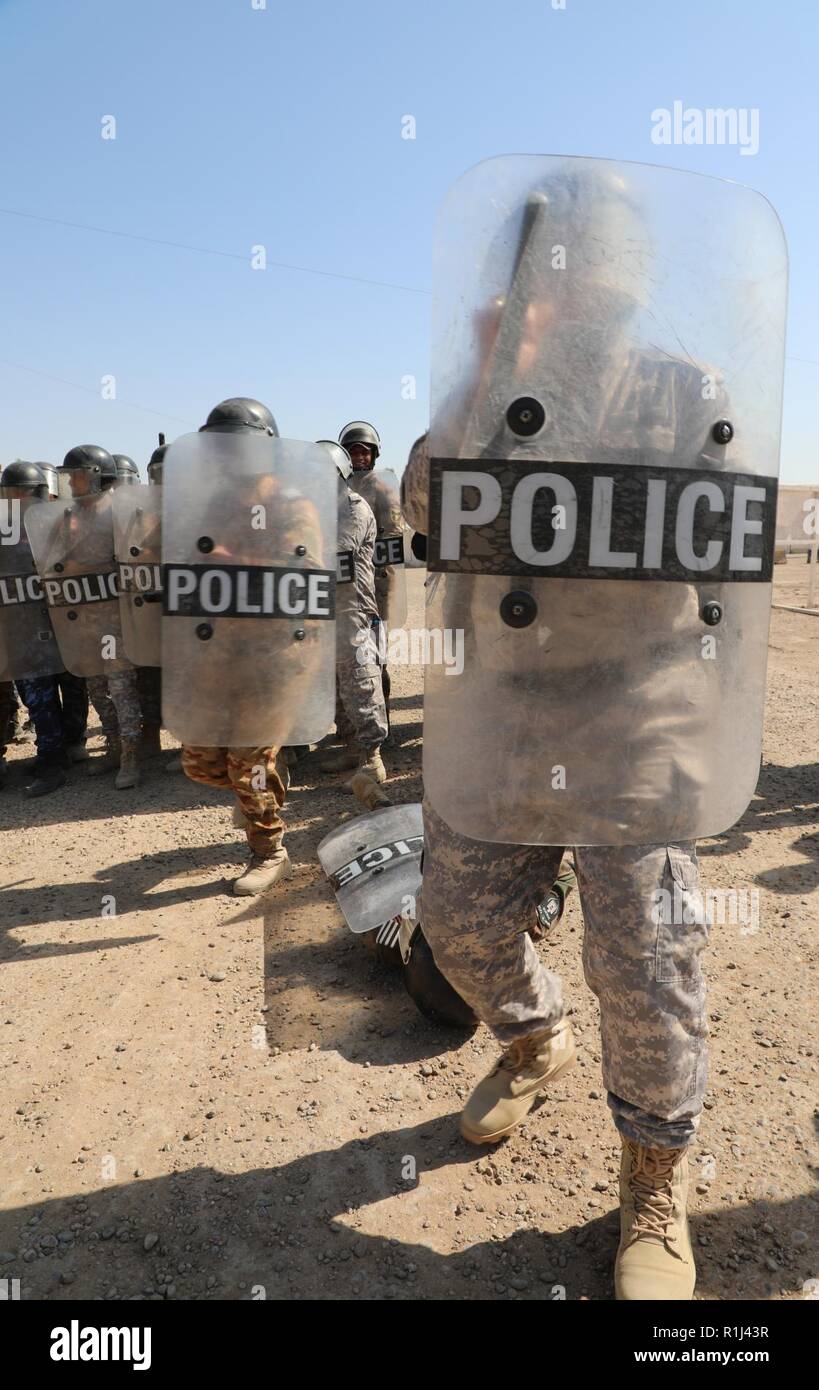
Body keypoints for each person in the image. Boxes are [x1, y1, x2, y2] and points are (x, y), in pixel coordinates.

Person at [397, 157, 779, 1302]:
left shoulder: (680, 384)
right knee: (456, 923)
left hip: (638, 706)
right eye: (559, 252)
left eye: (602, 253)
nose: (580, 273)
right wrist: (481, 382)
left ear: (632, 270)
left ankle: (654, 1177)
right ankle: (530, 1035)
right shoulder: (493, 385)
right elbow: (427, 516)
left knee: (649, 958)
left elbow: (726, 541)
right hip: (509, 705)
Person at [176, 398, 295, 895]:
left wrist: (240, 559)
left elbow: (305, 581)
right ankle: (264, 776)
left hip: (267, 657)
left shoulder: (290, 504)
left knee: (247, 768)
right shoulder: (216, 503)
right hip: (218, 652)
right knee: (201, 762)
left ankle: (269, 850)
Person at [1, 460, 89, 797]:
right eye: (12, 494)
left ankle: (63, 751)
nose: (18, 499)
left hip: (63, 622)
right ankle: (53, 756)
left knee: (72, 683)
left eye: (22, 493)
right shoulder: (5, 525)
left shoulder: (60, 521)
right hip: (24, 626)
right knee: (37, 696)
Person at [316, 440, 387, 785]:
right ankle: (351, 746)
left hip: (353, 607)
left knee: (361, 680)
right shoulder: (317, 510)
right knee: (336, 683)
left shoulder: (354, 507)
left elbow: (338, 549)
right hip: (324, 607)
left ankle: (372, 758)